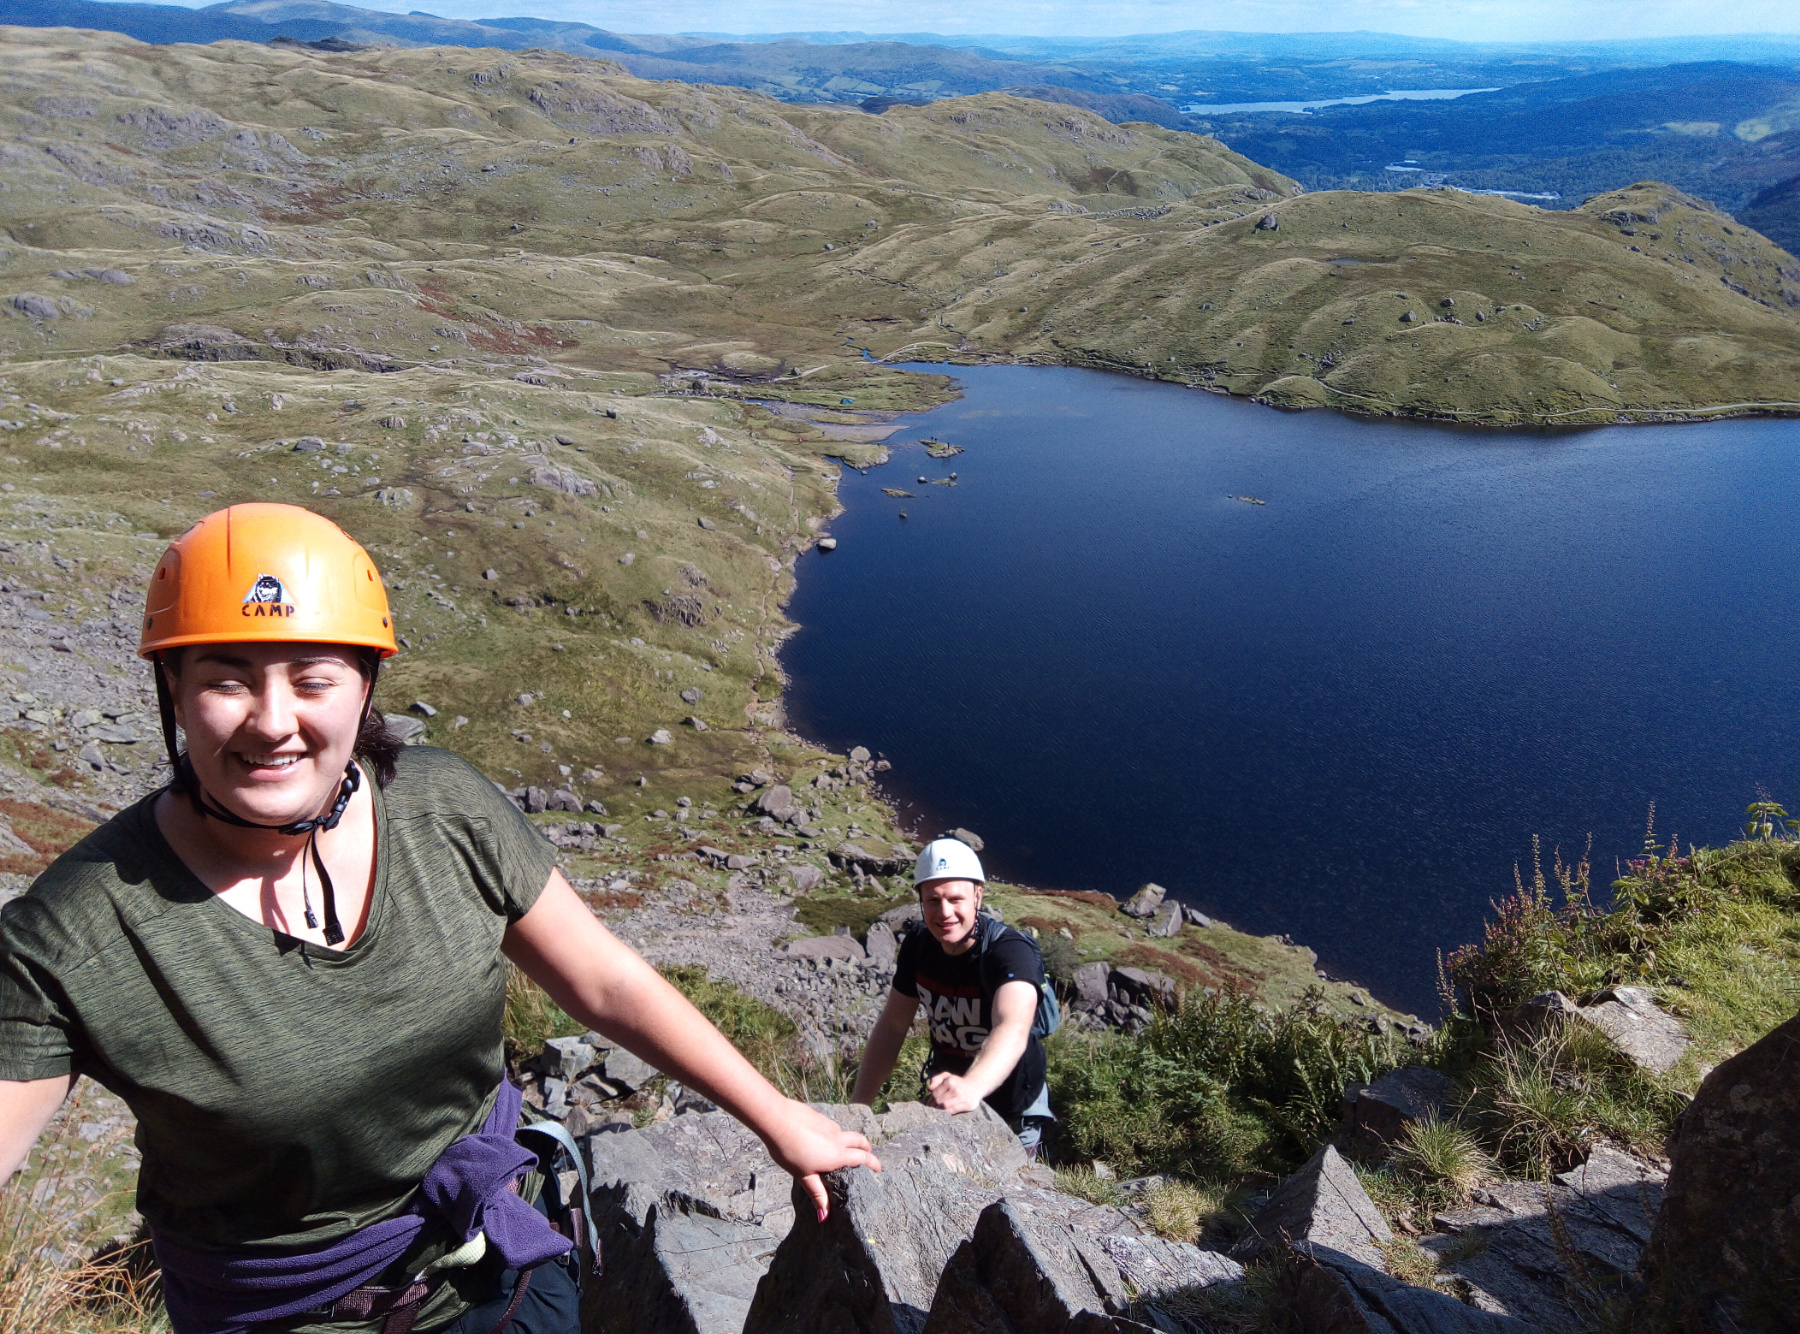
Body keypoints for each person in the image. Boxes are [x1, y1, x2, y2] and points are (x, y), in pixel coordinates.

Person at [0, 503, 879, 1334]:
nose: (273, 723)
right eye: (226, 680)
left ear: (366, 684)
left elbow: (603, 981)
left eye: (313, 678)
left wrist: (775, 1116)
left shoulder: (440, 808)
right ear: (174, 688)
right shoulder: (75, 934)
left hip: (504, 1266)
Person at [849, 838, 1053, 1154]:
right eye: (933, 900)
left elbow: (1012, 1026)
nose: (945, 913)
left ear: (978, 896)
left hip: (1012, 1104)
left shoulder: (1010, 952)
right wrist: (857, 1109)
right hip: (947, 1092)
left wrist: (972, 1088)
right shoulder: (919, 945)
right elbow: (892, 1027)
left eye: (956, 899)